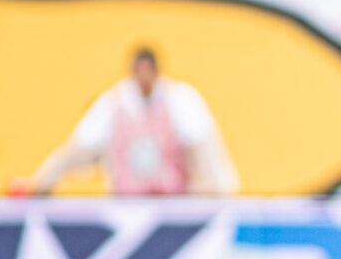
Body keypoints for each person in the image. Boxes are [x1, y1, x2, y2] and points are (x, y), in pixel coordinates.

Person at [20, 48, 238, 195]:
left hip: (174, 211)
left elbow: (203, 150)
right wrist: (40, 182)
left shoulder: (180, 100)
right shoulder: (113, 105)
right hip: (128, 212)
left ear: (156, 71)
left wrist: (217, 196)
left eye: (147, 71)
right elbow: (78, 149)